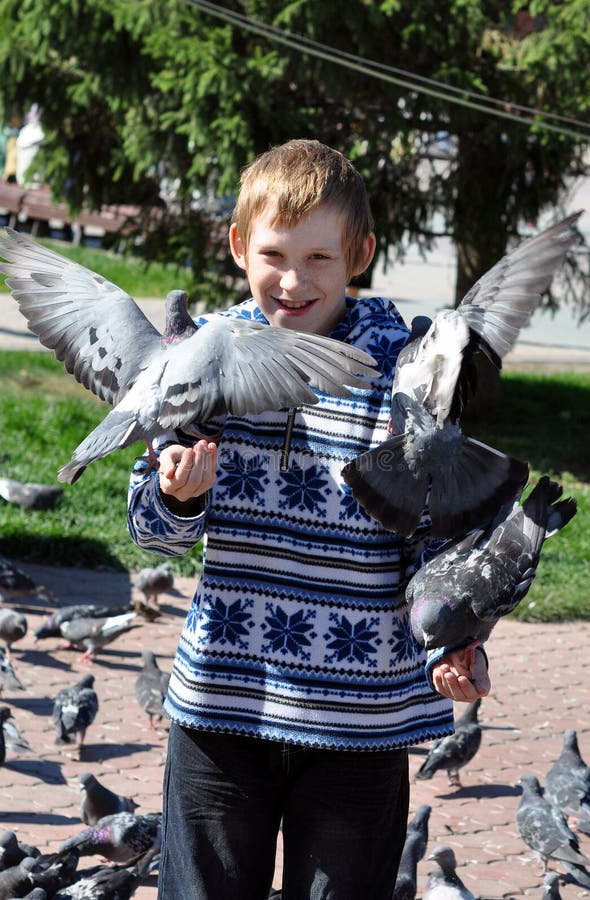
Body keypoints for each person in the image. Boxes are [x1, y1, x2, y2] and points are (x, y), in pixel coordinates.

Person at [127, 138, 490, 900]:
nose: (293, 282)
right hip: (223, 704)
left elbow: (434, 534)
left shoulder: (408, 366)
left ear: (360, 255)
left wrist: (454, 638)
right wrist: (178, 495)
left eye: (320, 259)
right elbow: (149, 527)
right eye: (274, 254)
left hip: (360, 720)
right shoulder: (203, 353)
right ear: (237, 246)